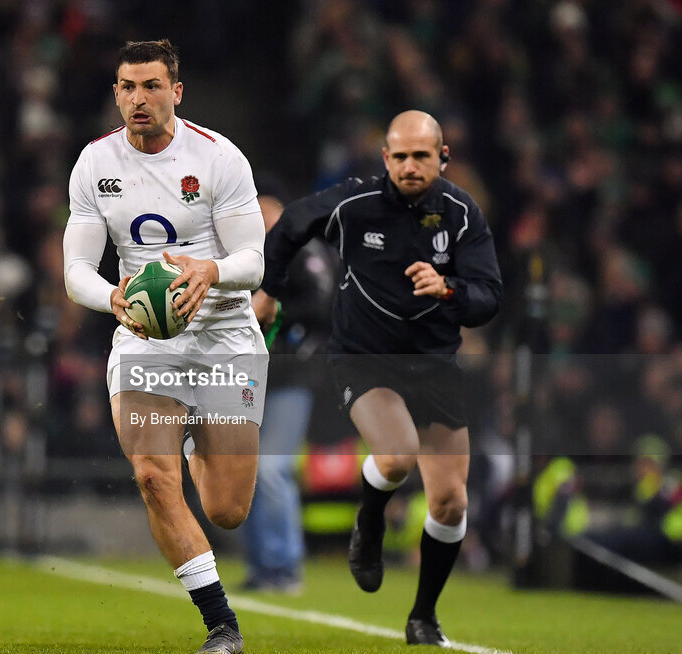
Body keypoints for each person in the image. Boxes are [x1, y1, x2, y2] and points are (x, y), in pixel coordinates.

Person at [256, 110, 502, 646]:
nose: (410, 165)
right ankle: (369, 522)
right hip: (363, 356)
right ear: (385, 157)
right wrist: (269, 289)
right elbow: (292, 224)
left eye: (422, 155)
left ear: (443, 158)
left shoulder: (462, 216)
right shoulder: (353, 203)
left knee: (451, 502)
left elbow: (488, 296)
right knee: (395, 455)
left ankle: (424, 616)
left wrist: (449, 290)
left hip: (434, 363)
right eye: (400, 156)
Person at [63, 40, 266, 654]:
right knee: (153, 476)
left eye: (151, 86)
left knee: (227, 509)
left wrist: (210, 271)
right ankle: (220, 625)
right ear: (117, 93)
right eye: (127, 86)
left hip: (224, 330)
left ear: (176, 92)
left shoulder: (218, 157)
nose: (138, 98)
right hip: (146, 334)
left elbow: (254, 262)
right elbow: (75, 269)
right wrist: (112, 299)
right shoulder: (94, 163)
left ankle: (200, 441)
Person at [240, 183, 337, 593]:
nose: (263, 227)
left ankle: (284, 566)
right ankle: (263, 566)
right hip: (250, 379)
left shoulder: (304, 250)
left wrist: (275, 305)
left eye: (268, 218)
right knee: (244, 472)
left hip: (291, 379)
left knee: (273, 468)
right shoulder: (245, 257)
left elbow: (324, 300)